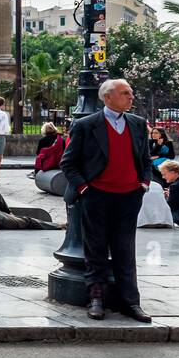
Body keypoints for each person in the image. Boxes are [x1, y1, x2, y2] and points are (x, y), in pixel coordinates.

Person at [59, 78, 153, 322]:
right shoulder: (86, 125)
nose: (131, 97)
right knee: (96, 248)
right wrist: (84, 188)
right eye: (125, 93)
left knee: (125, 249)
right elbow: (68, 162)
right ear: (107, 97)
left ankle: (131, 302)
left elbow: (144, 158)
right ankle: (96, 298)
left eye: (131, 92)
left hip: (129, 196)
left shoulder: (138, 123)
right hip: (96, 195)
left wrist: (143, 183)